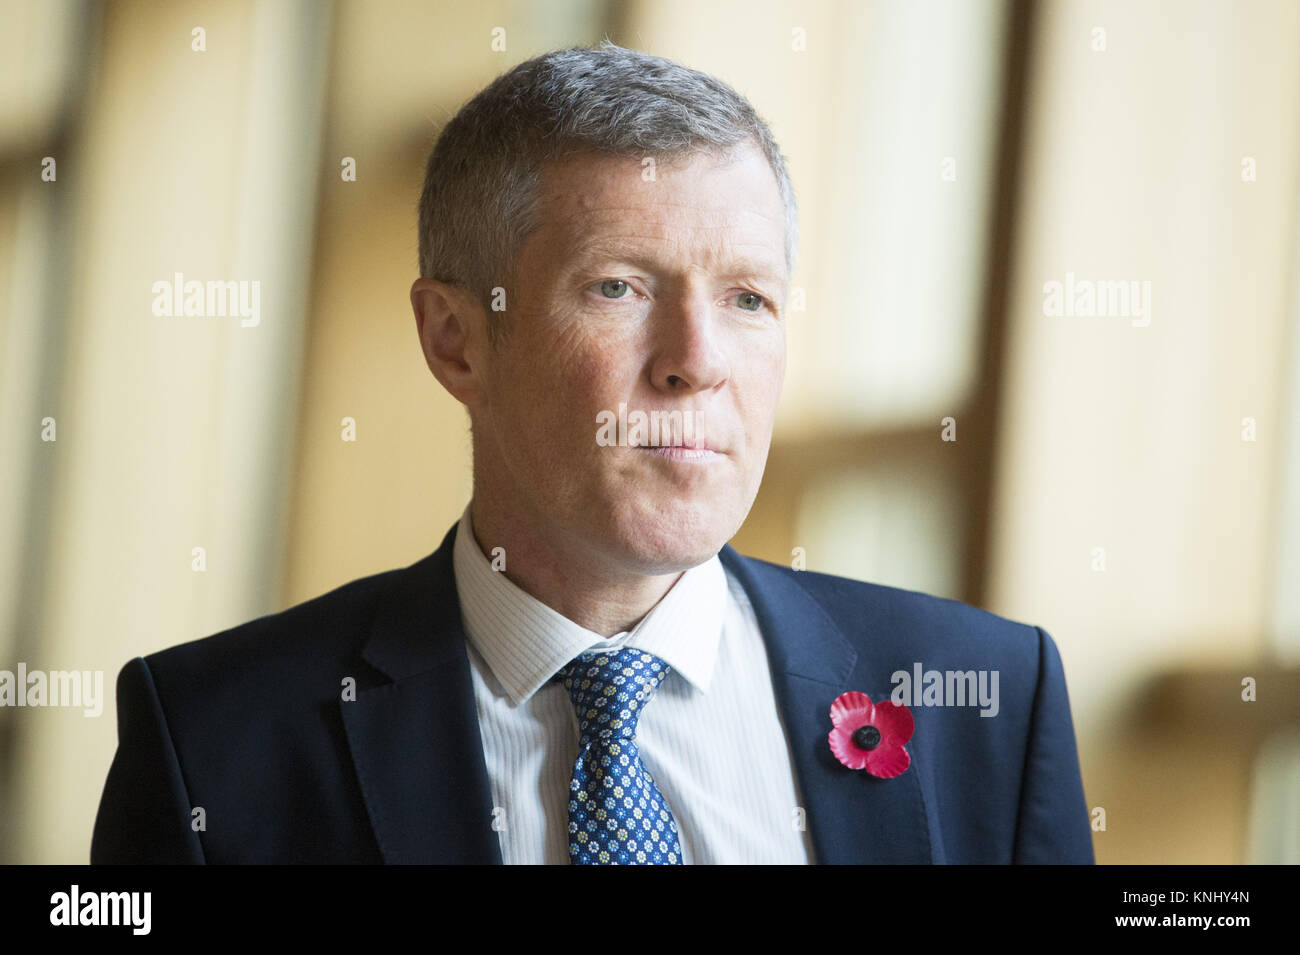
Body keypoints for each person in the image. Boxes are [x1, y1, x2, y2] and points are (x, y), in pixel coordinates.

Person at [91, 42, 1093, 865]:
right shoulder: (215, 742)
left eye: (747, 298)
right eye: (618, 288)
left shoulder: (987, 698)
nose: (697, 361)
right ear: (455, 340)